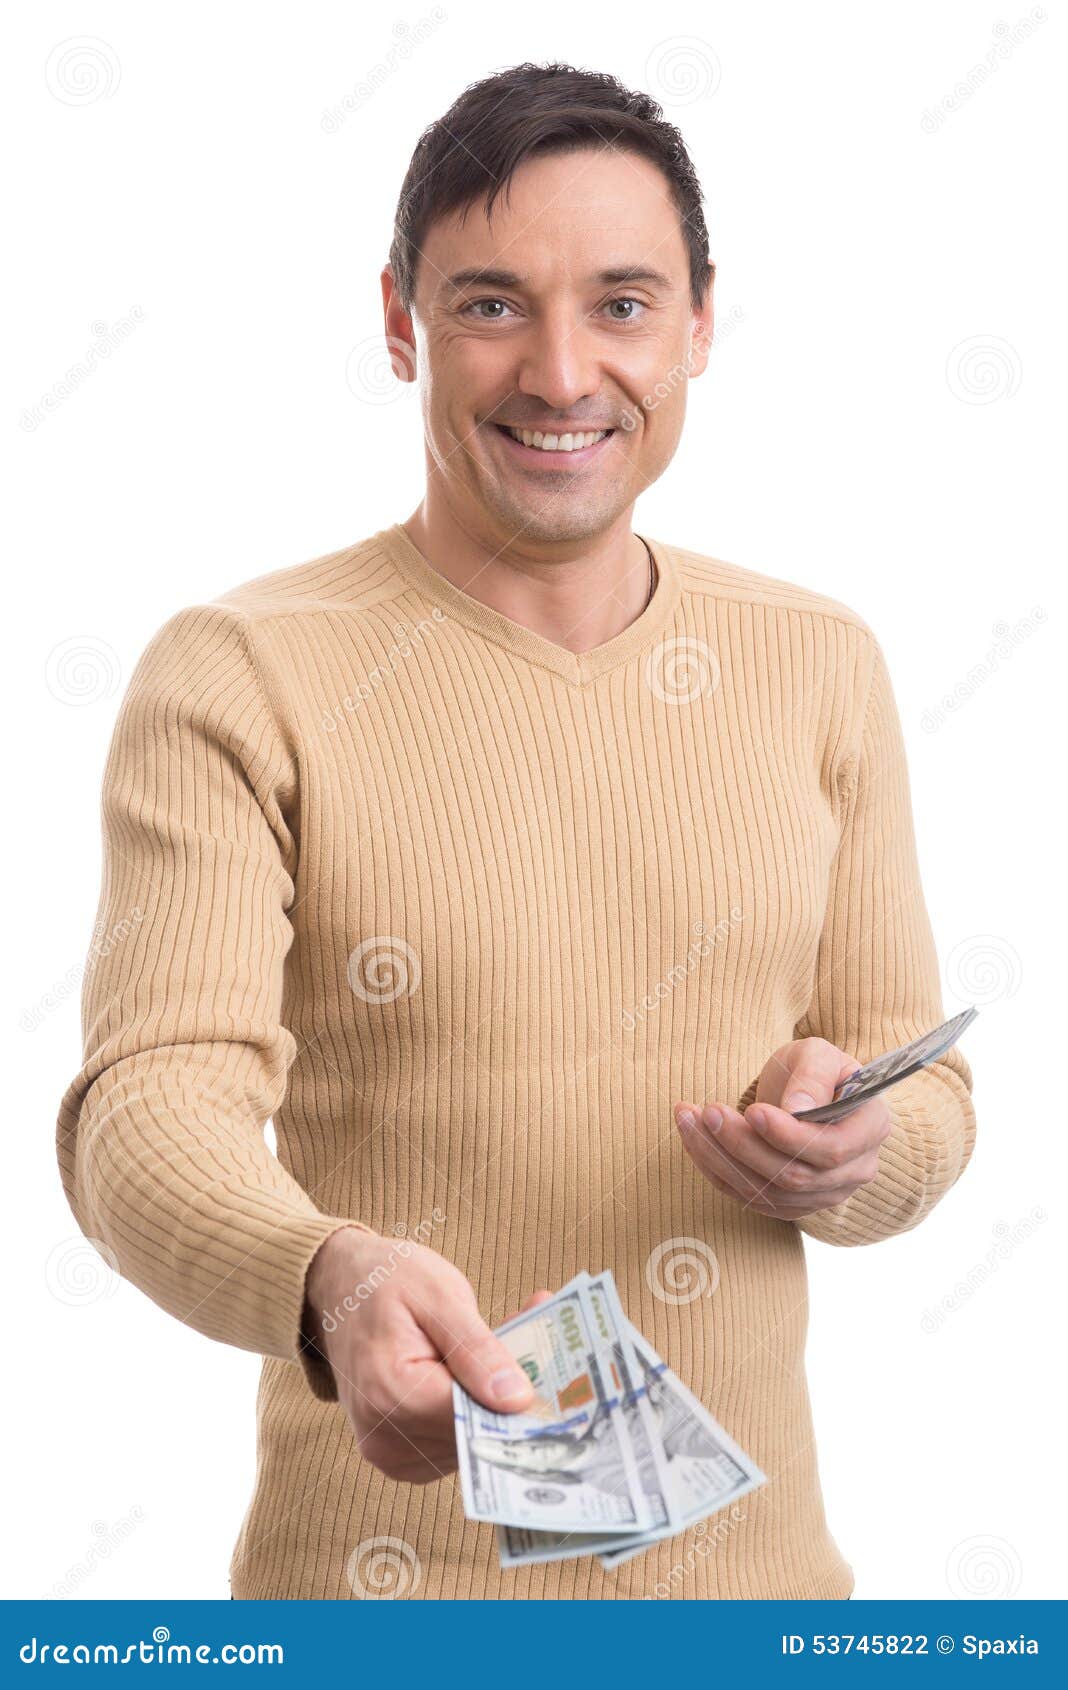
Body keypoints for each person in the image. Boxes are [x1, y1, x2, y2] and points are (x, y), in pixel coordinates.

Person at [56, 61, 976, 1601]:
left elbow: (921, 1077)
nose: (561, 373)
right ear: (403, 321)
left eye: (621, 304)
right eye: (491, 305)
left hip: (761, 1610)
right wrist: (322, 1278)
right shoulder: (243, 670)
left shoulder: (822, 661)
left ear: (697, 322)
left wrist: (861, 1150)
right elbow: (142, 1109)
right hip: (374, 1604)